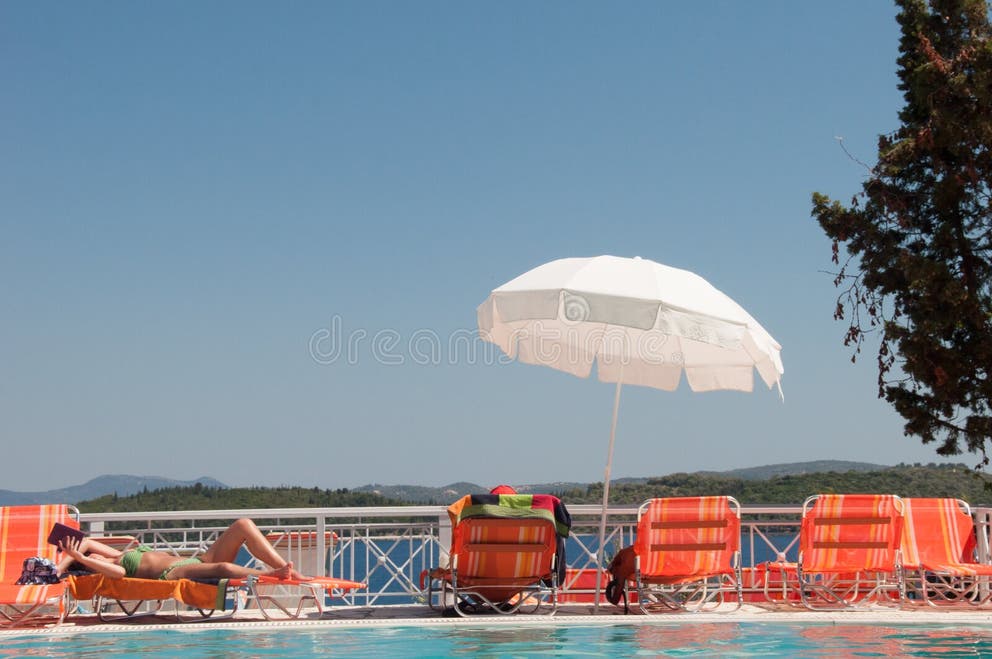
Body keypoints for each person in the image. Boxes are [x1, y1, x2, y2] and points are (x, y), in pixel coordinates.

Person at [56, 518, 309, 581]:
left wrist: (64, 560)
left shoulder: (114, 556)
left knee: (243, 525)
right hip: (172, 574)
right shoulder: (112, 568)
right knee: (222, 569)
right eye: (91, 559)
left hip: (194, 559)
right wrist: (78, 559)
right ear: (89, 565)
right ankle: (272, 575)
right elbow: (119, 575)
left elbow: (87, 542)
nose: (95, 554)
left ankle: (284, 569)